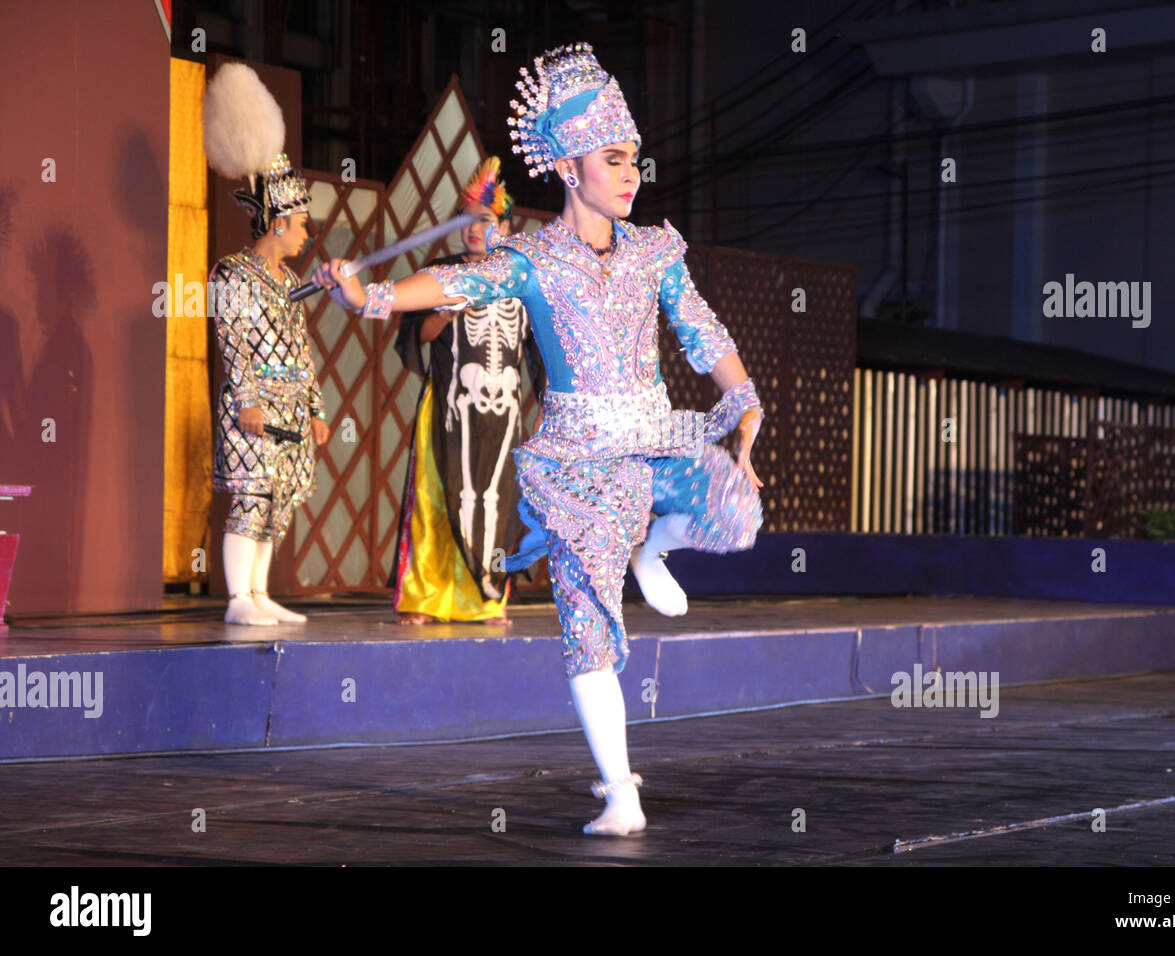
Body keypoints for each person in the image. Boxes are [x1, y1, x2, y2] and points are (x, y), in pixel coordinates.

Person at [312, 43, 763, 835]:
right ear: (568, 165)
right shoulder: (533, 259)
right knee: (586, 622)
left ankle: (652, 546)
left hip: (653, 442)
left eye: (635, 160)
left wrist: (743, 395)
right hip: (577, 464)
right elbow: (454, 282)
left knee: (738, 514)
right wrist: (368, 294)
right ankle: (621, 790)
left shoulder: (655, 250)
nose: (631, 174)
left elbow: (701, 328)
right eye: (613, 159)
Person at [391, 157, 546, 625]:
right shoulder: (441, 273)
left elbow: (538, 351)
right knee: (439, 501)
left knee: (496, 504)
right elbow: (414, 336)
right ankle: (425, 598)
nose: (475, 230)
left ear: (504, 225)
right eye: (467, 221)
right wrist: (449, 309)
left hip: (502, 413)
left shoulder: (521, 281)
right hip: (449, 408)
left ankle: (486, 599)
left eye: (485, 221)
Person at [203, 63, 329, 628]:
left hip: (288, 408)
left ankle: (257, 592)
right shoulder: (231, 274)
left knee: (276, 504)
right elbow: (233, 343)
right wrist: (248, 401)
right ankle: (237, 600)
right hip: (251, 408)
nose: (306, 234)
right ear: (277, 223)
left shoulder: (286, 285)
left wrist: (315, 410)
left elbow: (301, 352)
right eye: (301, 223)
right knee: (251, 498)